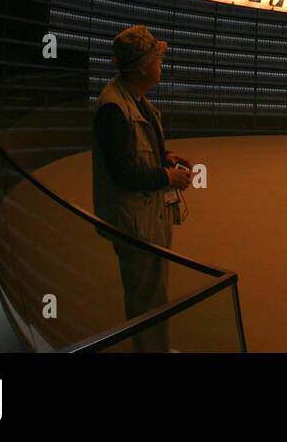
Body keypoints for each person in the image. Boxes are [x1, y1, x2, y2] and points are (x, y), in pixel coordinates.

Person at [92, 26, 192, 351]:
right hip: (135, 222)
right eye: (156, 59)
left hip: (147, 216)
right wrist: (167, 177)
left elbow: (135, 148)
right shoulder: (113, 108)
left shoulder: (133, 98)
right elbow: (123, 172)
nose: (161, 64)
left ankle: (155, 349)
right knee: (145, 295)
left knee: (153, 291)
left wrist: (165, 156)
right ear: (141, 67)